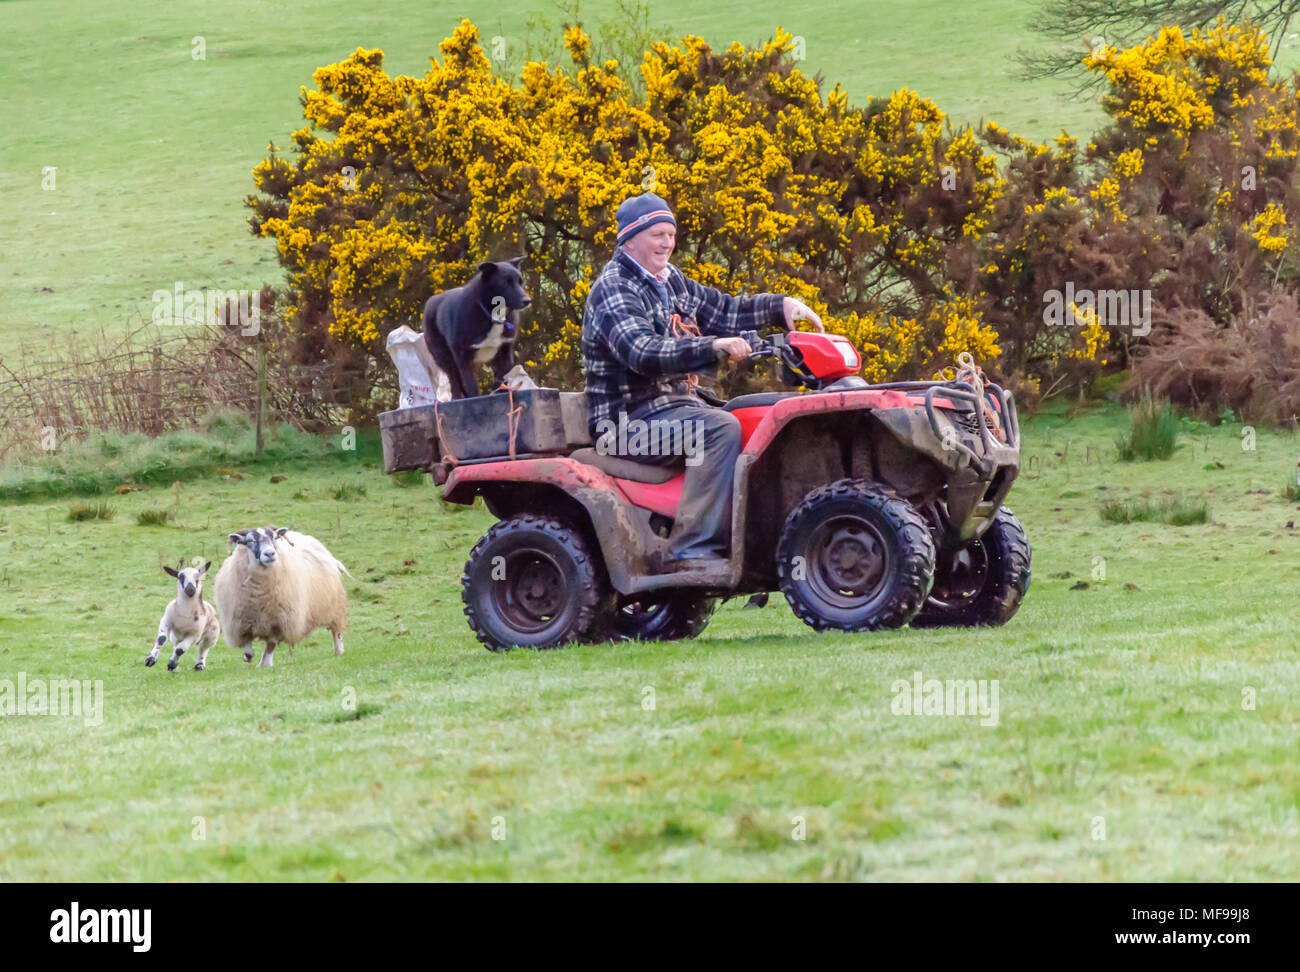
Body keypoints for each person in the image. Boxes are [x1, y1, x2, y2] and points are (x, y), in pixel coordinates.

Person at [581, 192, 823, 570]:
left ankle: (756, 539)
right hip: (625, 423)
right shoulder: (615, 287)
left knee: (754, 415)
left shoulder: (670, 280)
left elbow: (725, 309)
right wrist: (712, 346)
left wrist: (781, 307)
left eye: (671, 234)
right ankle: (691, 550)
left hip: (675, 410)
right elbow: (643, 352)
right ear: (629, 239)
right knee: (718, 430)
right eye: (657, 234)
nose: (667, 243)